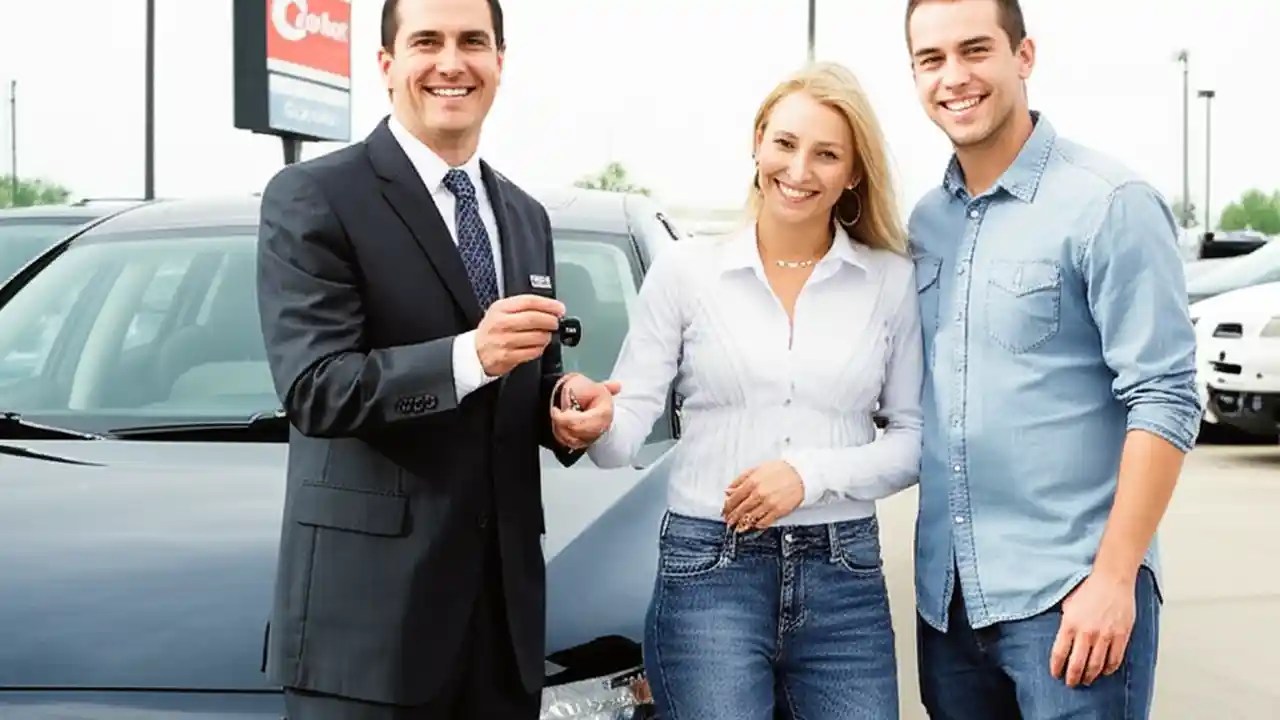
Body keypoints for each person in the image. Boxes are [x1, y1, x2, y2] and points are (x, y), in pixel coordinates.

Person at [254, 0, 616, 717]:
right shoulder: (315, 197)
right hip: (368, 639)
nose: (452, 62)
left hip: (500, 630)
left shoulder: (525, 216)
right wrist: (469, 356)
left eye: (472, 42)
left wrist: (562, 406)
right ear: (387, 66)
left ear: (500, 63)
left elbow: (524, 373)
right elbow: (316, 389)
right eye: (427, 41)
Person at [574, 62, 923, 720]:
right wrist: (591, 420)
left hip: (843, 578)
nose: (798, 169)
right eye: (785, 144)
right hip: (710, 570)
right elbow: (622, 435)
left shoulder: (889, 281)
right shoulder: (687, 272)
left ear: (853, 173)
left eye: (826, 154)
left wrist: (808, 474)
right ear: (758, 141)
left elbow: (915, 442)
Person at [903, 0, 1202, 717]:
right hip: (948, 609)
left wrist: (1114, 577)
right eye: (931, 59)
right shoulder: (924, 222)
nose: (955, 77)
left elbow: (1165, 395)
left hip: (1072, 603)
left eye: (976, 50)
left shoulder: (1108, 202)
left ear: (1024, 57)